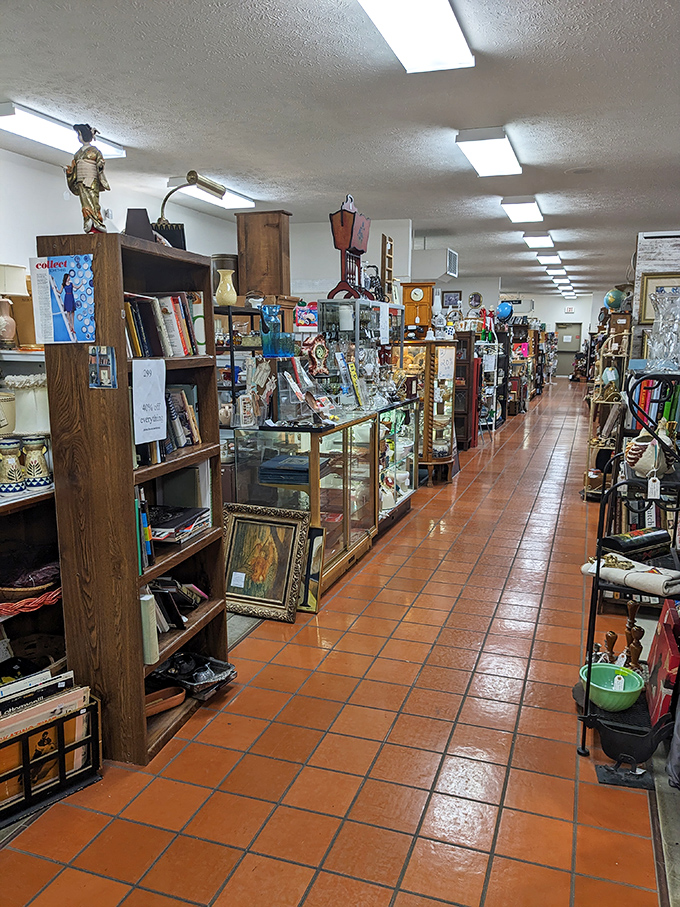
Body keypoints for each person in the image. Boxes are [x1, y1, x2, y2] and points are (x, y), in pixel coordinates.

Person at [65, 123, 110, 233]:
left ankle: (96, 221)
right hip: (81, 180)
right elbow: (74, 167)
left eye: (79, 134)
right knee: (84, 202)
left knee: (92, 200)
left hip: (91, 179)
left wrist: (99, 165)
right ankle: (88, 220)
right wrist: (69, 171)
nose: (78, 137)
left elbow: (100, 161)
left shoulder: (94, 151)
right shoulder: (77, 154)